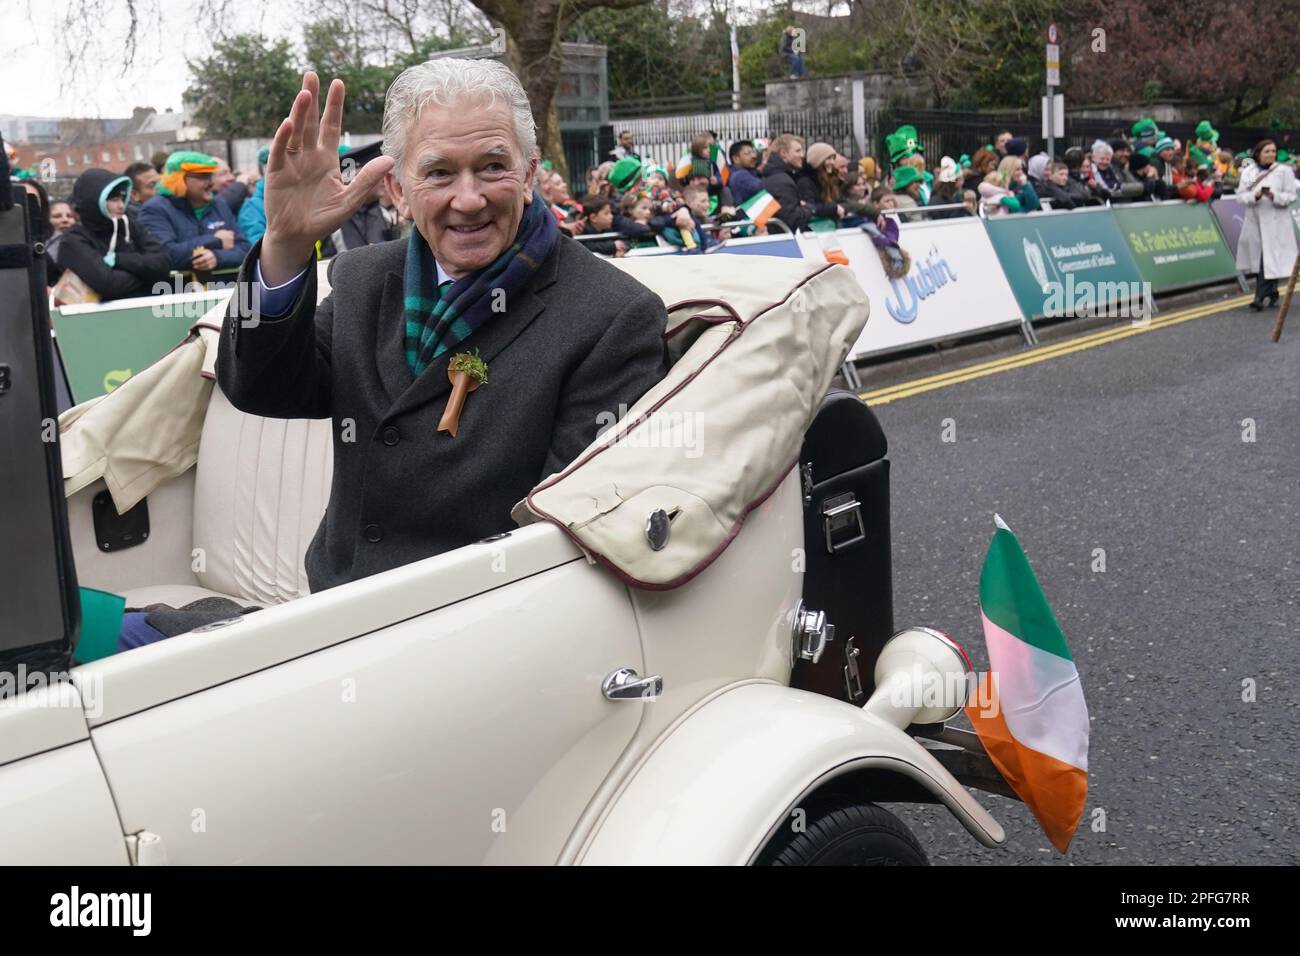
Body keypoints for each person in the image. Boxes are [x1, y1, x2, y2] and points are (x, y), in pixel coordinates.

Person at [216, 62, 668, 592]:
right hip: (335, 608)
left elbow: (563, 536)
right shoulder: (363, 279)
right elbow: (258, 388)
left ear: (528, 175)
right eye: (438, 173)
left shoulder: (614, 316)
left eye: (493, 166)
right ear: (398, 190)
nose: (469, 198)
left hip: (482, 626)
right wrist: (284, 248)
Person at [54, 168, 172, 302]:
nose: (121, 205)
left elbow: (164, 264)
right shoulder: (73, 240)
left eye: (122, 199)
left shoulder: (131, 226)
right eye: (114, 200)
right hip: (99, 319)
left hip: (145, 309)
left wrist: (119, 260)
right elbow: (109, 285)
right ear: (95, 200)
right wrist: (149, 274)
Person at [138, 151, 251, 272]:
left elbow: (245, 249)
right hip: (177, 289)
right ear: (179, 179)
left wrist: (217, 257)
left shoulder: (219, 204)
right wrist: (215, 240)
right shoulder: (155, 210)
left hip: (222, 288)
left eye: (210, 176)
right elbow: (165, 256)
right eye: (203, 177)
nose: (211, 183)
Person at [1235, 140, 1298, 312]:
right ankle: (1271, 292)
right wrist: (1254, 196)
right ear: (1258, 153)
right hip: (1255, 222)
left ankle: (1259, 296)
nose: (1271, 154)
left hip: (1276, 222)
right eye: (1267, 151)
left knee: (1268, 260)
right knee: (1260, 260)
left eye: (1273, 151)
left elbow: (1291, 196)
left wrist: (1274, 196)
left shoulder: (1284, 171)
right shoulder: (1249, 172)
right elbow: (1240, 196)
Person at [761, 134, 842, 232]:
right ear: (783, 153)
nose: (802, 155)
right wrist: (809, 208)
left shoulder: (776, 176)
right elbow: (792, 220)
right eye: (798, 151)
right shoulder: (783, 181)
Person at [727, 140, 762, 206]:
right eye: (748, 153)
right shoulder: (740, 176)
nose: (753, 156)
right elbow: (764, 187)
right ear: (736, 159)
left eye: (753, 152)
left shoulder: (752, 172)